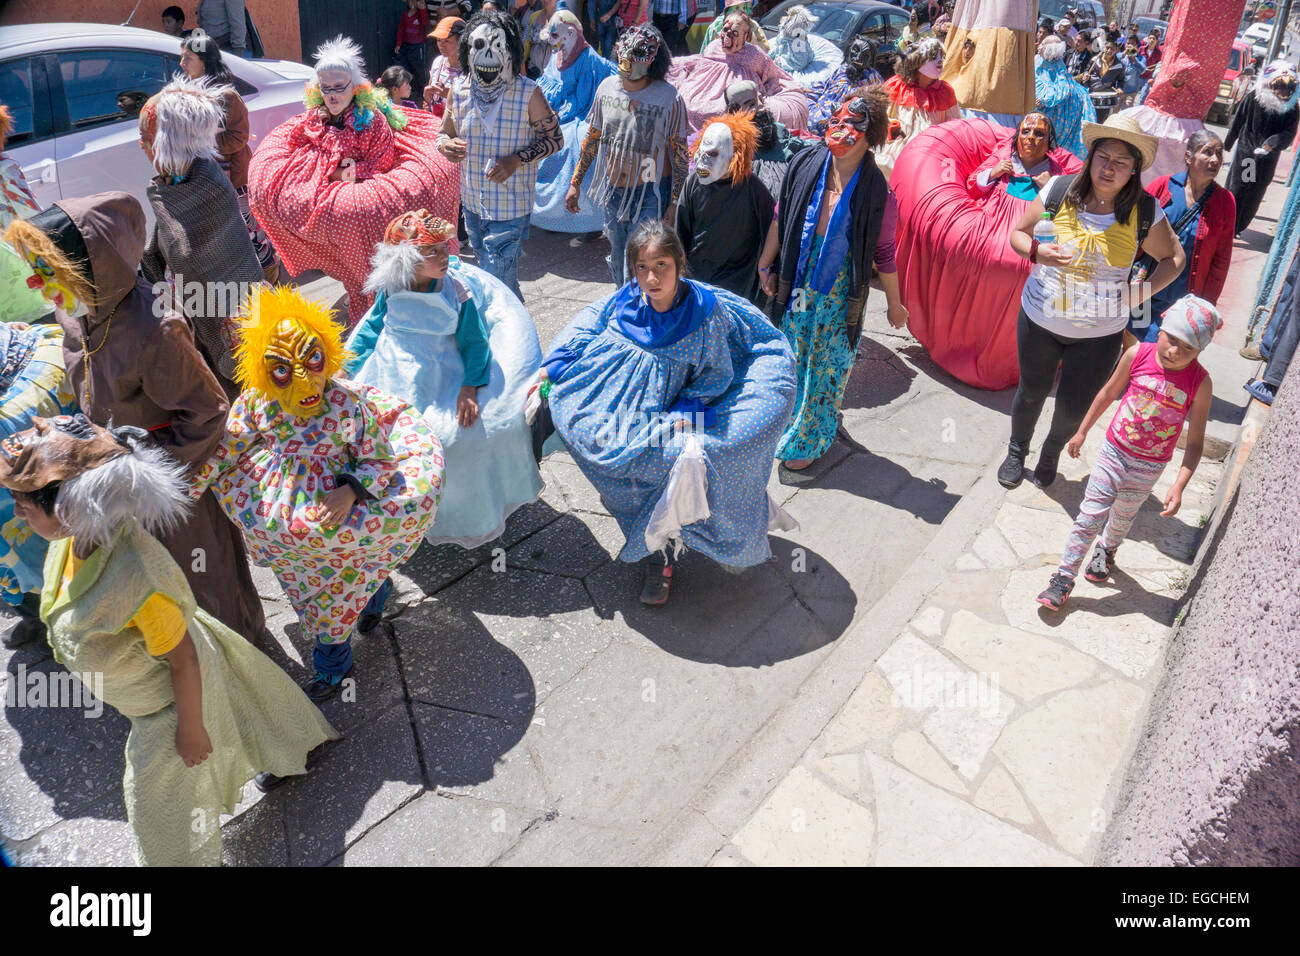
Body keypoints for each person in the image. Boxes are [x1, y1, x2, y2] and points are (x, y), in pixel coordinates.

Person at [0, 413, 339, 864]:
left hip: (165, 707)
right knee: (249, 695)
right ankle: (295, 743)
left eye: (26, 500)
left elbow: (184, 663)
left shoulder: (138, 578)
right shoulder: (72, 539)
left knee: (156, 803)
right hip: (173, 665)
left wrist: (191, 728)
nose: (18, 508)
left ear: (71, 503)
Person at [4, 192, 267, 642]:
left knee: (202, 576)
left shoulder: (157, 327)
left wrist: (148, 476)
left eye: (47, 271)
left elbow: (209, 412)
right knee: (153, 589)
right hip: (114, 481)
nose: (35, 285)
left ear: (92, 266)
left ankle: (240, 659)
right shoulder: (76, 313)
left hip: (173, 485)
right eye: (35, 269)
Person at [192, 286, 445, 701]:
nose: (306, 381)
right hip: (291, 513)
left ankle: (337, 659)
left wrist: (350, 491)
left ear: (327, 350)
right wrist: (195, 479)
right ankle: (355, 620)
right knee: (315, 587)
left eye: (313, 360)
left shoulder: (345, 404)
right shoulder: (260, 403)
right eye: (282, 370)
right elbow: (232, 443)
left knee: (352, 579)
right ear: (262, 372)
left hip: (340, 508)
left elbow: (379, 459)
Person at [538, 220, 797, 604]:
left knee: (669, 464)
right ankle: (651, 544)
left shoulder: (704, 315)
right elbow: (593, 333)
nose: (651, 277)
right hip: (623, 401)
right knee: (611, 458)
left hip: (679, 405)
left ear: (679, 263)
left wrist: (682, 414)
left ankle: (661, 557)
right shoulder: (627, 299)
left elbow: (717, 376)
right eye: (641, 267)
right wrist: (556, 366)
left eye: (661, 265)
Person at [1000, 115, 1185, 490]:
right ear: (1091, 158)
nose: (1110, 168)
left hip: (1100, 335)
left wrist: (1143, 292)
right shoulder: (1058, 189)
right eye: (1104, 157)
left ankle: (1051, 451)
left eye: (1121, 162)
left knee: (1072, 407)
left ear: (1133, 171)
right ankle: (1017, 450)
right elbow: (1017, 234)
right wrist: (1037, 253)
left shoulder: (1144, 212)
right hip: (1040, 320)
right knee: (1031, 392)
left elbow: (1175, 259)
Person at [347, 210, 544, 547]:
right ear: (406, 258)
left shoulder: (455, 291)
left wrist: (470, 387)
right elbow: (370, 329)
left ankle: (456, 515)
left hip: (440, 368)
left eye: (444, 248)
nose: (445, 257)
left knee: (453, 437)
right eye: (431, 251)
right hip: (391, 368)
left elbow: (474, 342)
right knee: (377, 436)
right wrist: (346, 368)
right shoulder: (392, 288)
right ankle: (394, 513)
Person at [248, 36, 460, 325]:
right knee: (352, 263)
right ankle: (361, 292)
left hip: (372, 205)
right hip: (339, 210)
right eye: (325, 88)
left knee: (377, 257)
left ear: (355, 87)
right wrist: (319, 172)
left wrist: (337, 175)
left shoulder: (372, 122)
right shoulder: (315, 118)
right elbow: (302, 144)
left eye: (339, 87)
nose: (332, 95)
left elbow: (380, 163)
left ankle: (388, 305)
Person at [757, 91, 908, 470]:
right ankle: (786, 422)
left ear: (870, 135)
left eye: (853, 125)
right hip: (799, 282)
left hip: (841, 295)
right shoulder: (804, 164)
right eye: (837, 121)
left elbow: (884, 255)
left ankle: (809, 438)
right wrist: (765, 265)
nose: (841, 131)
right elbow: (781, 216)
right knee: (792, 354)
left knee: (826, 365)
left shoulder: (879, 194)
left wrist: (894, 303)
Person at [1036, 297, 1217, 610]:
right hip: (1114, 453)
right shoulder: (1137, 354)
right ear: (1159, 330)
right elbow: (1108, 393)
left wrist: (1179, 485)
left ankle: (1107, 549)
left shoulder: (1200, 384)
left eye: (1187, 347)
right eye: (1171, 340)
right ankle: (1063, 577)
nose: (1174, 351)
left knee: (1122, 517)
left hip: (1149, 468)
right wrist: (1082, 430)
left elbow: (1197, 443)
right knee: (1089, 516)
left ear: (1200, 350)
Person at [136, 76, 264, 395]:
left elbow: (197, 261)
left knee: (239, 378)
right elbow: (167, 251)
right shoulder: (170, 186)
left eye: (145, 136)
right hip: (192, 304)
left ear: (170, 142)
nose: (141, 144)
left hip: (232, 313)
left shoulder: (208, 186)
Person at [438, 10, 562, 300]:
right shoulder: (458, 89)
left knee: (498, 283)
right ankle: (509, 334)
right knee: (494, 284)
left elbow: (555, 139)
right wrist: (446, 145)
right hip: (471, 204)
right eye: (480, 47)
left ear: (511, 51)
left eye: (498, 47)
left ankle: (508, 338)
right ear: (469, 50)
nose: (489, 56)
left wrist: (516, 160)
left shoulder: (528, 93)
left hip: (510, 208)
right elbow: (443, 132)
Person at [566, 24, 688, 286]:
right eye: (625, 51)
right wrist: (575, 183)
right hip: (613, 194)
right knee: (619, 257)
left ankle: (640, 312)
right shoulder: (607, 88)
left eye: (638, 54)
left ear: (653, 60)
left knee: (641, 259)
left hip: (650, 195)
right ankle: (625, 307)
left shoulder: (669, 97)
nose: (629, 59)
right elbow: (593, 138)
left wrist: (674, 203)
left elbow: (679, 154)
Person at [179, 31, 278, 282]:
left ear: (205, 61)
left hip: (234, 179)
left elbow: (238, 137)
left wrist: (200, 144)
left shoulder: (227, 97)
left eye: (188, 58)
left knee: (252, 231)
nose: (182, 63)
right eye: (182, 57)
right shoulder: (188, 95)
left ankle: (271, 274)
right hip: (208, 177)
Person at [0, 323, 76, 648]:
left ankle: (70, 607)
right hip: (39, 362)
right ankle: (40, 611)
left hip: (30, 389)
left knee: (32, 521)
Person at [1129, 130, 1234, 344]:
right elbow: (1131, 234)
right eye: (1207, 153)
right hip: (1145, 289)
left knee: (1159, 351)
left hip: (1181, 301)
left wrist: (1207, 305)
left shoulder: (1225, 202)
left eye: (1219, 154)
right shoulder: (1162, 186)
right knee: (1131, 346)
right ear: (1188, 157)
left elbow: (1221, 261)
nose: (1215, 160)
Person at [675, 112, 774, 303]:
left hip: (738, 279)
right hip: (698, 274)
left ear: (733, 154)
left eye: (712, 154)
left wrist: (767, 269)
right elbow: (681, 231)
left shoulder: (752, 188)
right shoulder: (694, 182)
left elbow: (772, 230)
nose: (703, 161)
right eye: (701, 153)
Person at [532, 10, 616, 233]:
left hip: (584, 117)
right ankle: (547, 209)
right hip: (555, 115)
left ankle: (581, 216)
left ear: (570, 34)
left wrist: (556, 115)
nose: (554, 45)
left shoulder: (589, 61)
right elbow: (545, 85)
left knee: (573, 144)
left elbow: (583, 105)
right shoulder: (557, 55)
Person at [666, 9, 809, 132]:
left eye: (734, 32)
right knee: (684, 103)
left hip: (737, 98)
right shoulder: (714, 46)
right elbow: (701, 62)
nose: (727, 35)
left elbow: (772, 74)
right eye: (725, 29)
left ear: (745, 37)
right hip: (701, 92)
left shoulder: (754, 55)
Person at [1225, 60, 1300, 237]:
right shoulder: (1254, 98)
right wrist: (1229, 142)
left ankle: (1239, 226)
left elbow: (1289, 134)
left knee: (1255, 193)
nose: (1285, 91)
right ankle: (1229, 225)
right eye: (1281, 85)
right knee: (1241, 188)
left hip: (1268, 159)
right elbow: (1239, 120)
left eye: (1289, 87)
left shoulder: (1292, 109)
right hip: (1249, 155)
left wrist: (1272, 143)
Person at [875, 37, 961, 182]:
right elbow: (881, 117)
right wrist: (891, 128)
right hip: (898, 149)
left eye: (941, 55)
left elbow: (956, 126)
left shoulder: (945, 91)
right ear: (916, 62)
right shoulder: (896, 86)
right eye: (933, 56)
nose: (940, 60)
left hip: (932, 153)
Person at [726, 80, 808, 198]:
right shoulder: (729, 146)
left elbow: (796, 145)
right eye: (751, 104)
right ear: (734, 112)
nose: (761, 106)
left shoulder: (776, 129)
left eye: (761, 99)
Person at [967, 111, 1069, 201]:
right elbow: (972, 188)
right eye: (1025, 132)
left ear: (1049, 142)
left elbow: (1067, 211)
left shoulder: (1056, 172)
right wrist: (992, 174)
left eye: (1038, 133)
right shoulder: (1003, 157)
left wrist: (1050, 188)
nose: (1031, 137)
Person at [807, 34, 882, 136]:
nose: (858, 57)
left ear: (870, 61)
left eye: (865, 55)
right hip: (820, 113)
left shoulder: (872, 79)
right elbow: (827, 85)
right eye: (855, 50)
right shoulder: (842, 70)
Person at [1035, 35, 1096, 160]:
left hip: (1054, 124)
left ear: (1048, 50)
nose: (1039, 46)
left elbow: (1051, 96)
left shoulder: (1052, 69)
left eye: (1043, 44)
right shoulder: (1046, 64)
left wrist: (1039, 99)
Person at [768, 4, 841, 88]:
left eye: (789, 17)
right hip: (785, 57)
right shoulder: (785, 33)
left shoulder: (798, 38)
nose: (786, 18)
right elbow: (778, 46)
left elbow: (799, 62)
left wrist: (779, 63)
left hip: (793, 66)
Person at [424, 16, 466, 118]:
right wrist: (427, 96)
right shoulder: (438, 62)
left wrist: (450, 94)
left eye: (447, 41)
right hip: (437, 124)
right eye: (439, 40)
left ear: (461, 41)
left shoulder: (470, 69)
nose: (441, 45)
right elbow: (429, 97)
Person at [701, 0, 769, 53]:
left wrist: (753, 41)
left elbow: (765, 48)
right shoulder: (716, 26)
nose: (741, 11)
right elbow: (706, 51)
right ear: (728, 10)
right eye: (736, 8)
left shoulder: (752, 25)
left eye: (744, 7)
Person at [395, 0, 432, 93]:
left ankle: (424, 90)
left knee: (420, 68)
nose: (412, 3)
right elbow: (401, 30)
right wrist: (399, 44)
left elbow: (425, 23)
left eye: (415, 1)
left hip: (418, 46)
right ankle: (409, 90)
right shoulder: (405, 14)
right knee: (406, 67)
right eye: (410, 1)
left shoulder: (420, 14)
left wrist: (423, 9)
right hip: (407, 45)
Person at [523, 0, 561, 78]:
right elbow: (525, 43)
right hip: (533, 71)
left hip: (554, 73)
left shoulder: (563, 18)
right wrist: (522, 65)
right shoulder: (534, 16)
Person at [1118, 37, 1146, 108]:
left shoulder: (1141, 58)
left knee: (1126, 113)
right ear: (1125, 44)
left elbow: (1142, 71)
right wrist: (1123, 55)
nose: (1130, 45)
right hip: (1118, 89)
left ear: (1136, 46)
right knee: (1114, 112)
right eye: (1128, 43)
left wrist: (1134, 59)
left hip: (1131, 91)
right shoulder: (1120, 55)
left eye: (1132, 44)